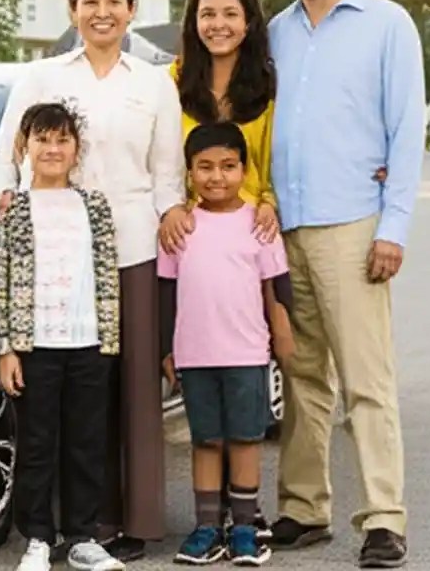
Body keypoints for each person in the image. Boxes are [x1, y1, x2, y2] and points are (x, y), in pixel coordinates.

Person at [0, 0, 188, 562]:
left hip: (130, 249)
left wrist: (173, 215)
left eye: (114, 1)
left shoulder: (153, 82)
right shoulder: (42, 77)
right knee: (59, 405)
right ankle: (75, 528)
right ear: (72, 10)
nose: (102, 12)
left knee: (128, 392)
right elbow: (8, 158)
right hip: (53, 256)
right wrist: (2, 206)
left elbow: (165, 172)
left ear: (131, 9)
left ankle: (135, 519)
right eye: (89, 1)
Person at [266, 0, 424, 569]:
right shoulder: (275, 30)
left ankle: (384, 517)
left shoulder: (387, 24)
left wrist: (394, 225)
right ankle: (305, 507)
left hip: (355, 223)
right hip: (286, 227)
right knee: (301, 375)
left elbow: (406, 129)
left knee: (367, 379)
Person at [160, 0, 287, 540]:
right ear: (193, 23)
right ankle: (214, 521)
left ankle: (244, 514)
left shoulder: (268, 84)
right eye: (207, 14)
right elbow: (163, 156)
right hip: (188, 230)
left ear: (249, 22)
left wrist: (269, 202)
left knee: (252, 381)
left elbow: (276, 154)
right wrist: (170, 206)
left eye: (230, 14)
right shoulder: (171, 82)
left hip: (251, 226)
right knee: (207, 420)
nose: (218, 24)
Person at [0, 102, 126, 571]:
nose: (52, 148)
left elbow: (108, 273)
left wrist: (110, 341)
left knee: (87, 442)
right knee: (38, 443)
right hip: (35, 346)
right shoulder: (12, 208)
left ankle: (83, 536)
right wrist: (5, 348)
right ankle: (38, 538)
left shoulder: (94, 205)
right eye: (42, 139)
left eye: (62, 139)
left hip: (88, 343)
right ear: (24, 146)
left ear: (76, 149)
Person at [158, 122, 295, 567]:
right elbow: (165, 294)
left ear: (243, 168)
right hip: (196, 356)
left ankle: (243, 530)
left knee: (245, 440)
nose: (217, 177)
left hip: (247, 355)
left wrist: (282, 341)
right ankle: (205, 529)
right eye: (205, 168)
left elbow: (277, 288)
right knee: (206, 441)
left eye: (228, 167)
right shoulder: (179, 228)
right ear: (190, 172)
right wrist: (165, 348)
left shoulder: (258, 223)